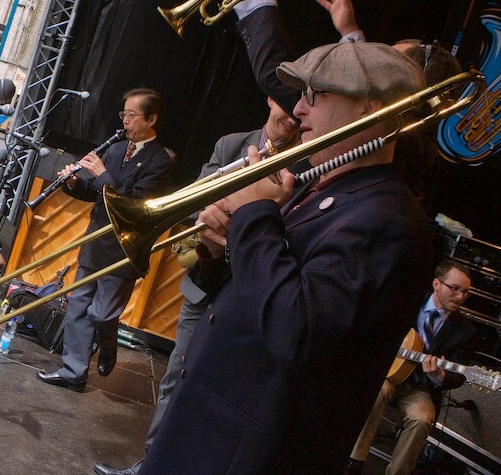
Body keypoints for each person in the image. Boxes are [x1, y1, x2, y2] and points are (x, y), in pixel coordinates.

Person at [141, 42, 432, 473]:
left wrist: (254, 215)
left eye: (316, 94)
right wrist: (216, 248)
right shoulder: (321, 189)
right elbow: (257, 291)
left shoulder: (387, 219)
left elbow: (296, 331)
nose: (298, 109)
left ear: (370, 109)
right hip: (207, 427)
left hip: (244, 452)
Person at [94, 98, 299, 475]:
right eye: (287, 103)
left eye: (302, 105)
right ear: (270, 100)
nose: (295, 114)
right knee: (176, 378)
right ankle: (151, 465)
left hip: (252, 292)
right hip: (207, 275)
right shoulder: (233, 144)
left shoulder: (307, 157)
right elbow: (195, 203)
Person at [37, 88, 175, 392]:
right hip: (96, 240)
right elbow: (94, 192)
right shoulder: (115, 149)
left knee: (101, 314)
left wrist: (100, 174)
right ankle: (73, 372)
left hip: (124, 248)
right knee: (78, 307)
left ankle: (108, 341)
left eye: (132, 115)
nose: (125, 120)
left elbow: (134, 204)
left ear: (151, 119)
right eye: (123, 113)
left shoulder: (160, 161)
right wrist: (74, 182)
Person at [348, 262, 477, 475]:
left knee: (422, 418)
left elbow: (459, 376)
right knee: (374, 393)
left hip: (420, 389)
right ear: (437, 284)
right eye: (455, 288)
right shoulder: (407, 302)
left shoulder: (465, 330)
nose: (460, 296)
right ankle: (354, 461)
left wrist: (438, 374)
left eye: (465, 292)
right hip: (389, 376)